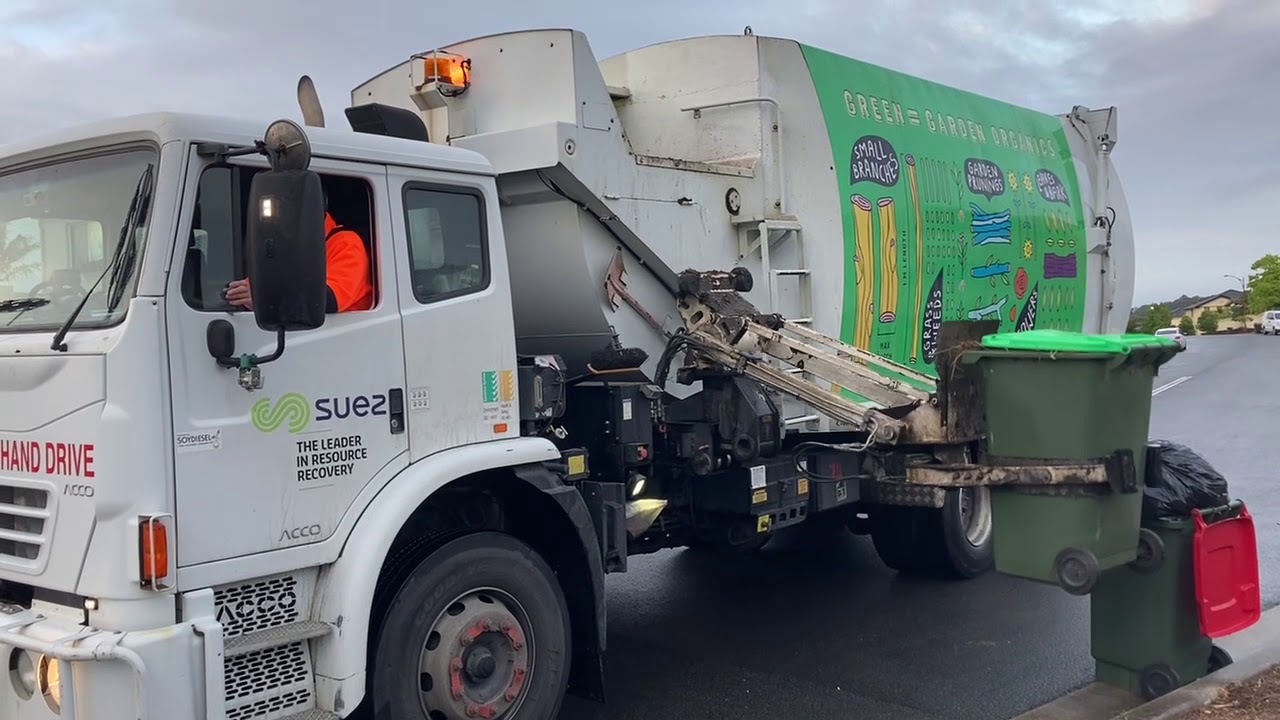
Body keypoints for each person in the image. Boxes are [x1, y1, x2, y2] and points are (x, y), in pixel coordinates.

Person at [225, 211, 373, 313]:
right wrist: (237, 293)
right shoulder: (291, 249)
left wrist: (266, 297)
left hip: (345, 345)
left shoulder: (346, 243)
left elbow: (327, 300)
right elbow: (255, 286)